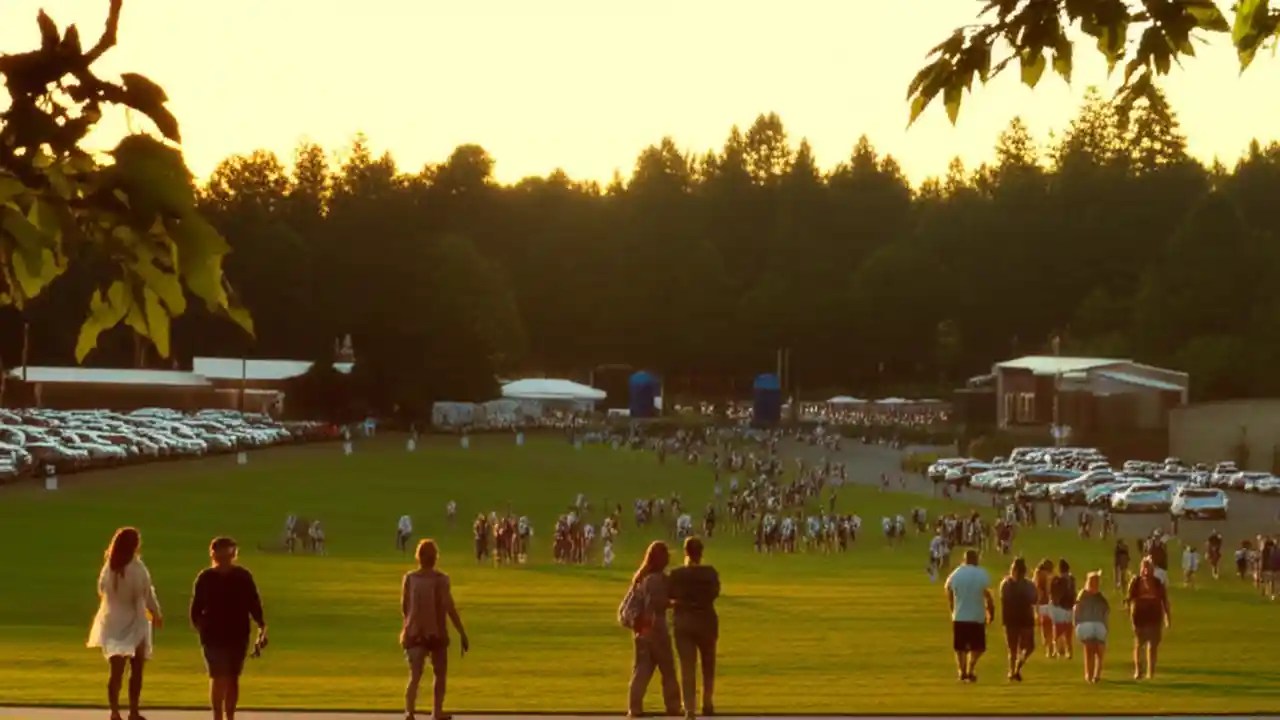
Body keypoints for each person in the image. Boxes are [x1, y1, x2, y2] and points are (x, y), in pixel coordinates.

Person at [87, 527, 163, 720]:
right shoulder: (137, 568)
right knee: (136, 669)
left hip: (113, 620)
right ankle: (133, 711)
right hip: (136, 620)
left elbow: (102, 590)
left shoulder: (109, 567)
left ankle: (114, 711)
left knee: (116, 671)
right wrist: (155, 612)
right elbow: (146, 593)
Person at [190, 537, 268, 720]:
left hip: (237, 634)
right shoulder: (205, 577)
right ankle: (218, 716)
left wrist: (262, 627)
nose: (225, 558)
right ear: (214, 554)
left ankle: (230, 716)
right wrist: (202, 629)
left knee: (232, 677)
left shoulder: (243, 576)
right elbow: (195, 609)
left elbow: (254, 604)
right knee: (218, 676)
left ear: (233, 555)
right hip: (213, 635)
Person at [401, 539, 469, 720]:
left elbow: (405, 607)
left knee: (414, 674)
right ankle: (436, 711)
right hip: (436, 632)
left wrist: (410, 624)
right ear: (435, 558)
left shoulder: (410, 579)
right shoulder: (441, 580)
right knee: (440, 673)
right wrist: (461, 631)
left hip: (414, 631)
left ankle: (410, 711)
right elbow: (449, 607)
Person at [628, 541, 682, 718]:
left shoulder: (640, 578)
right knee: (668, 669)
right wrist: (673, 603)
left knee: (641, 670)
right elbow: (656, 603)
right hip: (656, 628)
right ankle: (673, 706)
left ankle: (634, 707)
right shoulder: (657, 580)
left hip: (641, 630)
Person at [668, 537, 720, 720]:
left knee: (687, 666)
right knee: (708, 665)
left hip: (684, 622)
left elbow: (670, 595)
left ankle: (689, 707)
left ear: (686, 552)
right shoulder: (710, 573)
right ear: (701, 553)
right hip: (706, 621)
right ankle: (707, 701)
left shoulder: (676, 574)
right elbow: (715, 593)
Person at [944, 548, 995, 683]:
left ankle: (962, 671)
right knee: (978, 647)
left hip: (960, 615)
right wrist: (991, 611)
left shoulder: (957, 573)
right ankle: (970, 668)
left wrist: (952, 604)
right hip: (977, 615)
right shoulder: (981, 574)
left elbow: (947, 587)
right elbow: (988, 595)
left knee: (960, 648)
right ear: (976, 559)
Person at [1125, 556, 1171, 680]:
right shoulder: (1136, 582)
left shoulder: (1157, 583)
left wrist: (1167, 617)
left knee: (1153, 645)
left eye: (1148, 568)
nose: (1146, 571)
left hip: (1154, 615)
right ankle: (1138, 670)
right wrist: (1129, 613)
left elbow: (1164, 600)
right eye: (1144, 568)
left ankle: (1150, 672)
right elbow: (1129, 599)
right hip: (1139, 616)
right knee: (1139, 644)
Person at [998, 557, 1037, 682]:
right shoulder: (1028, 585)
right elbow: (1034, 599)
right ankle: (1015, 669)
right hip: (1021, 619)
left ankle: (1014, 670)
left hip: (1014, 619)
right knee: (1024, 647)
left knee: (1014, 648)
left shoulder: (1006, 584)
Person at [1073, 571, 1110, 683]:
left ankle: (1096, 674)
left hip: (1098, 625)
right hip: (1086, 625)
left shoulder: (1100, 597)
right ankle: (1089, 674)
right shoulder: (1083, 595)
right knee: (1090, 648)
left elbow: (1106, 611)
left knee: (1099, 648)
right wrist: (1077, 623)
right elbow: (1077, 610)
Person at [1049, 559, 1077, 660]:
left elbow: (1053, 594)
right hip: (1069, 607)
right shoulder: (1071, 580)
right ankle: (1068, 651)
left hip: (1060, 607)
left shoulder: (1057, 580)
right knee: (1068, 630)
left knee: (1057, 629)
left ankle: (1057, 650)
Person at [1033, 559, 1055, 657]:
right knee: (1050, 627)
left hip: (1041, 604)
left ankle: (1048, 649)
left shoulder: (1037, 575)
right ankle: (1051, 648)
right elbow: (1048, 590)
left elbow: (1037, 591)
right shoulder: (1048, 576)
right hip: (1048, 603)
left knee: (1044, 628)